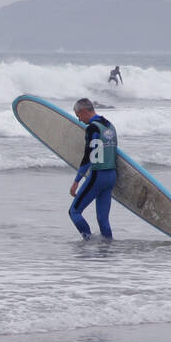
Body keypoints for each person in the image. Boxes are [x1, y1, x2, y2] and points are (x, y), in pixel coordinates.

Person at [68, 97, 116, 240]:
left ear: (83, 111)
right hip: (111, 176)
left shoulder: (93, 128)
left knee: (74, 212)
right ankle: (107, 246)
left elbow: (89, 155)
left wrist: (76, 181)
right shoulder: (109, 126)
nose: (79, 120)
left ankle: (88, 241)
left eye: (78, 116)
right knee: (103, 219)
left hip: (98, 176)